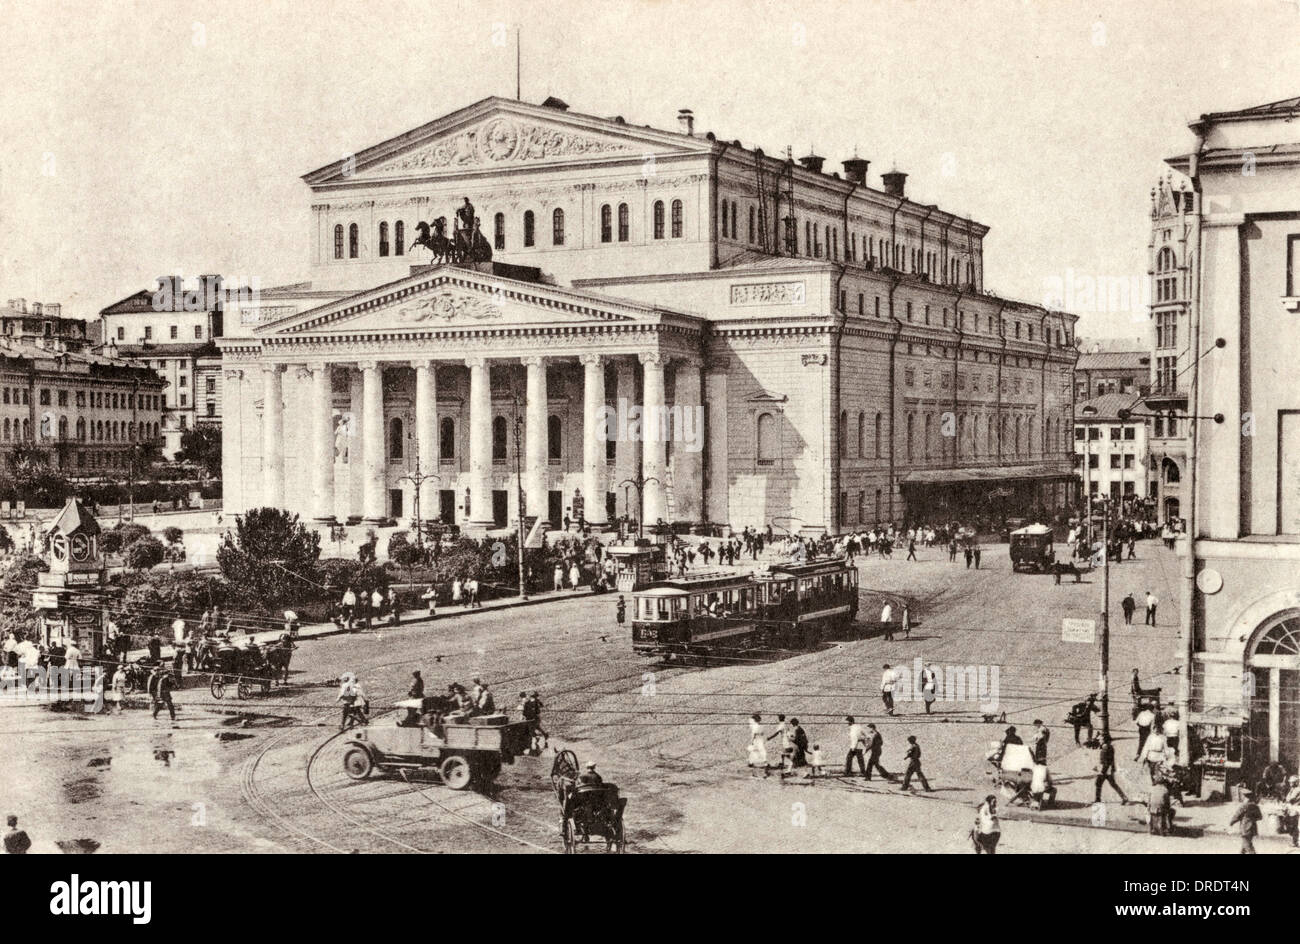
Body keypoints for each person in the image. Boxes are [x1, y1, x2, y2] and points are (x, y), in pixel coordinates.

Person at [1094, 734, 1128, 805]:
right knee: (1112, 784)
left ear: (1104, 740)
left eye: (1101, 739)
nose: (1099, 740)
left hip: (1105, 769)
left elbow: (1105, 761)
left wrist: (1102, 771)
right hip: (1109, 769)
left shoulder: (1105, 748)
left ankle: (1097, 799)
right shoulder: (1109, 747)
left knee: (1098, 783)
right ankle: (1124, 797)